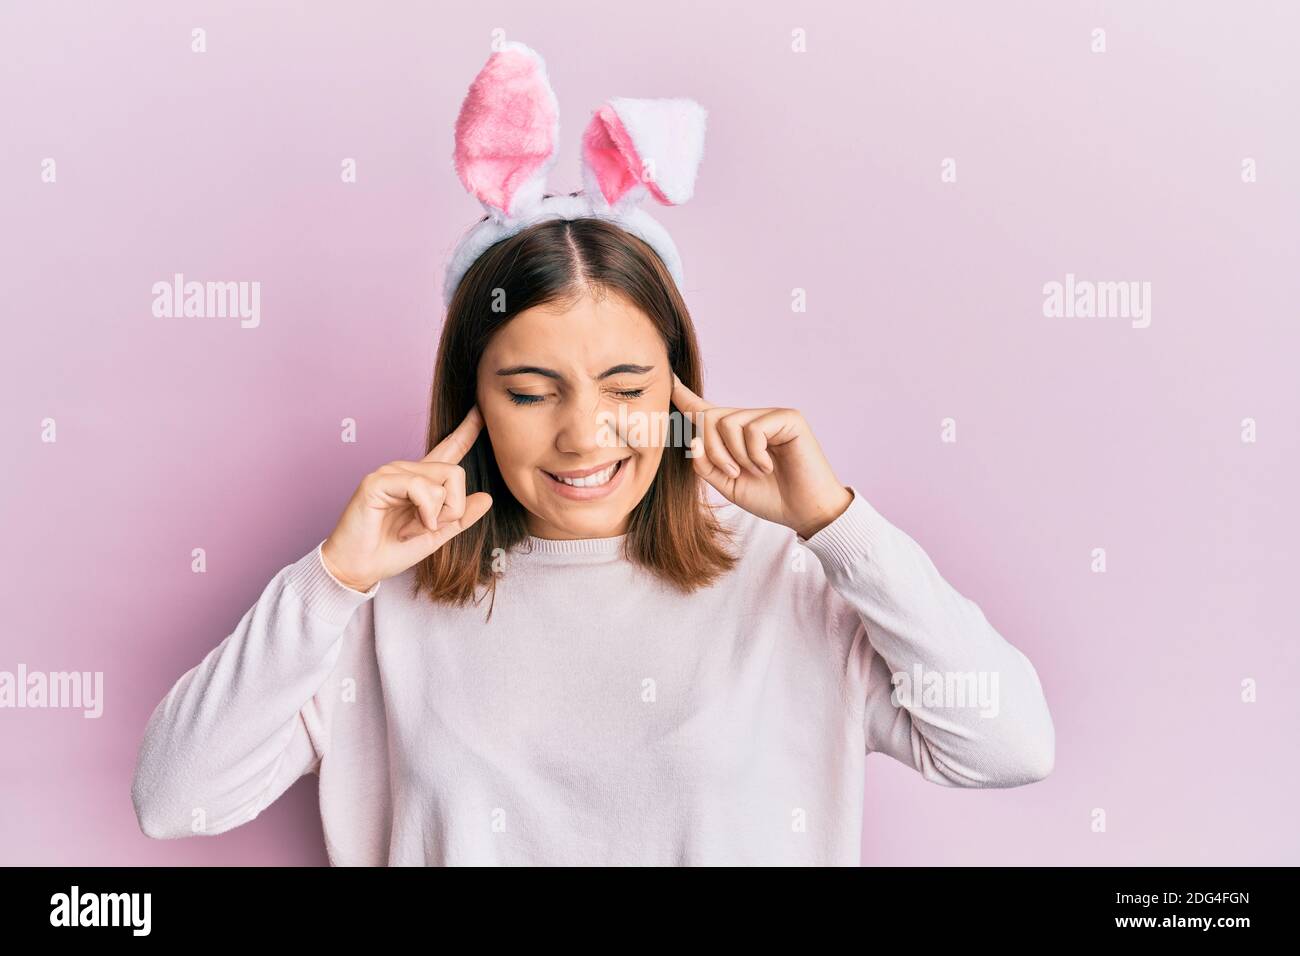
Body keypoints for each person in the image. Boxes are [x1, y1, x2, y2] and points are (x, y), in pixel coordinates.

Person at [130, 42, 1054, 866]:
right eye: (530, 393)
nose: (584, 433)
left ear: (679, 384)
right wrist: (332, 579)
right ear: (472, 399)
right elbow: (177, 801)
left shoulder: (787, 576)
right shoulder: (378, 605)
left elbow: (1009, 747)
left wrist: (835, 526)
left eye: (626, 388)